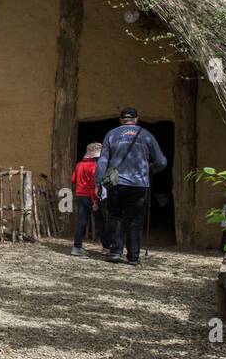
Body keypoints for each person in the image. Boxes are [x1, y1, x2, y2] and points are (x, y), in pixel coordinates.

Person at [97, 107, 167, 265]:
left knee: (115, 215)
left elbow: (102, 161)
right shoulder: (146, 135)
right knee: (135, 219)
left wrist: (98, 182)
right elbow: (162, 161)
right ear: (137, 118)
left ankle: (115, 252)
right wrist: (152, 169)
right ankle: (133, 256)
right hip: (139, 184)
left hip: (116, 182)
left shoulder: (111, 134)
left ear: (121, 120)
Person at [70, 143, 109, 257]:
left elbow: (73, 179)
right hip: (91, 196)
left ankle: (77, 247)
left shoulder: (79, 165)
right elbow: (94, 186)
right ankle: (106, 247)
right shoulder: (95, 166)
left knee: (81, 221)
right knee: (100, 222)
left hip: (80, 195)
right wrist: (95, 201)